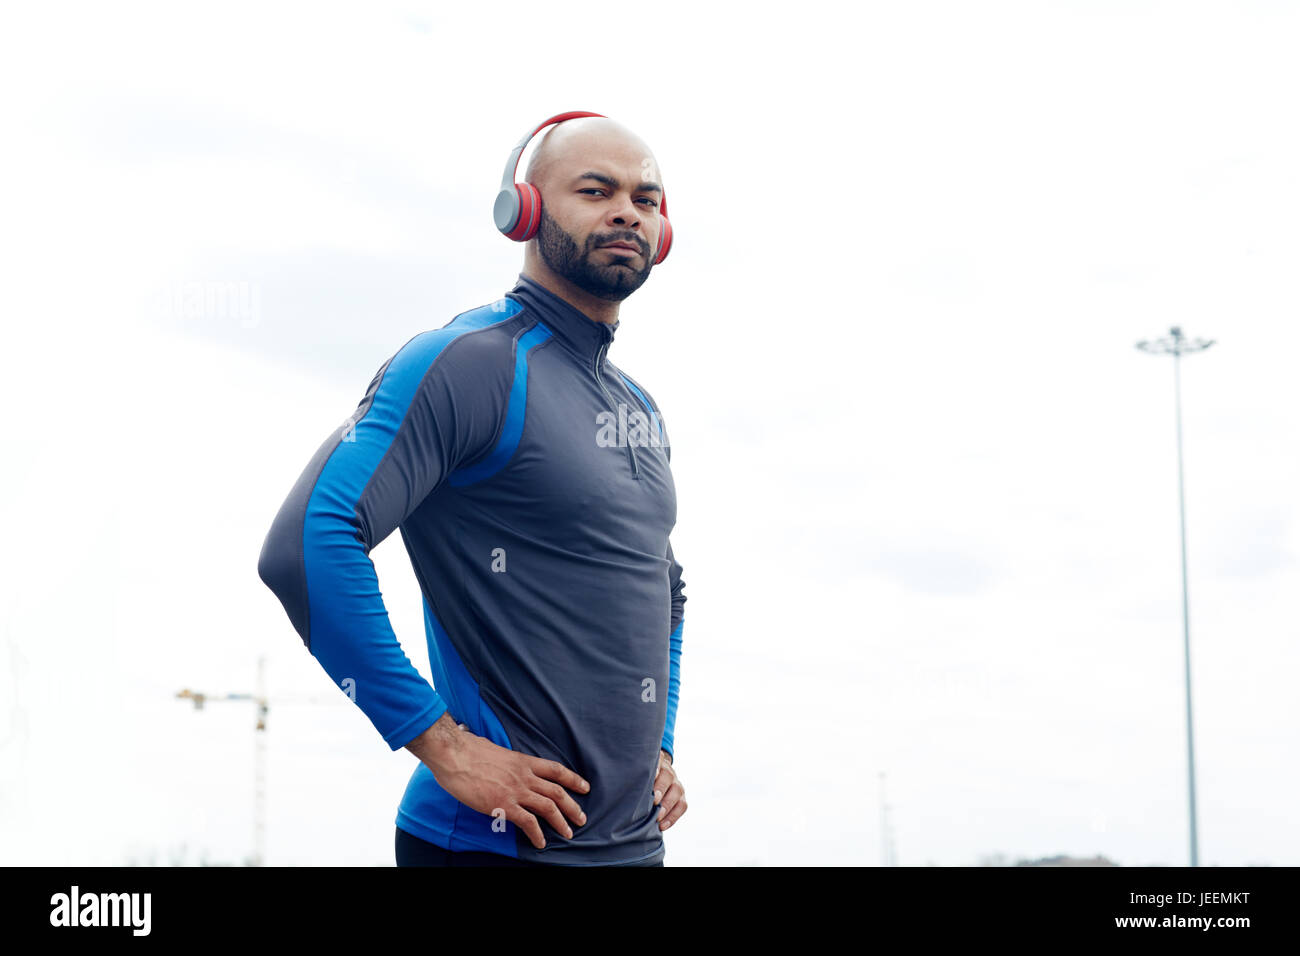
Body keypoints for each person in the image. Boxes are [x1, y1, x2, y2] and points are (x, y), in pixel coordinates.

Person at [257, 113, 688, 867]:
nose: (627, 210)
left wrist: (663, 744)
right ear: (522, 210)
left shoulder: (641, 410)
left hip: (631, 847)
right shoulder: (471, 364)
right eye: (596, 190)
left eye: (646, 199)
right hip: (489, 849)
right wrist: (441, 744)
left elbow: (664, 590)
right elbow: (306, 543)